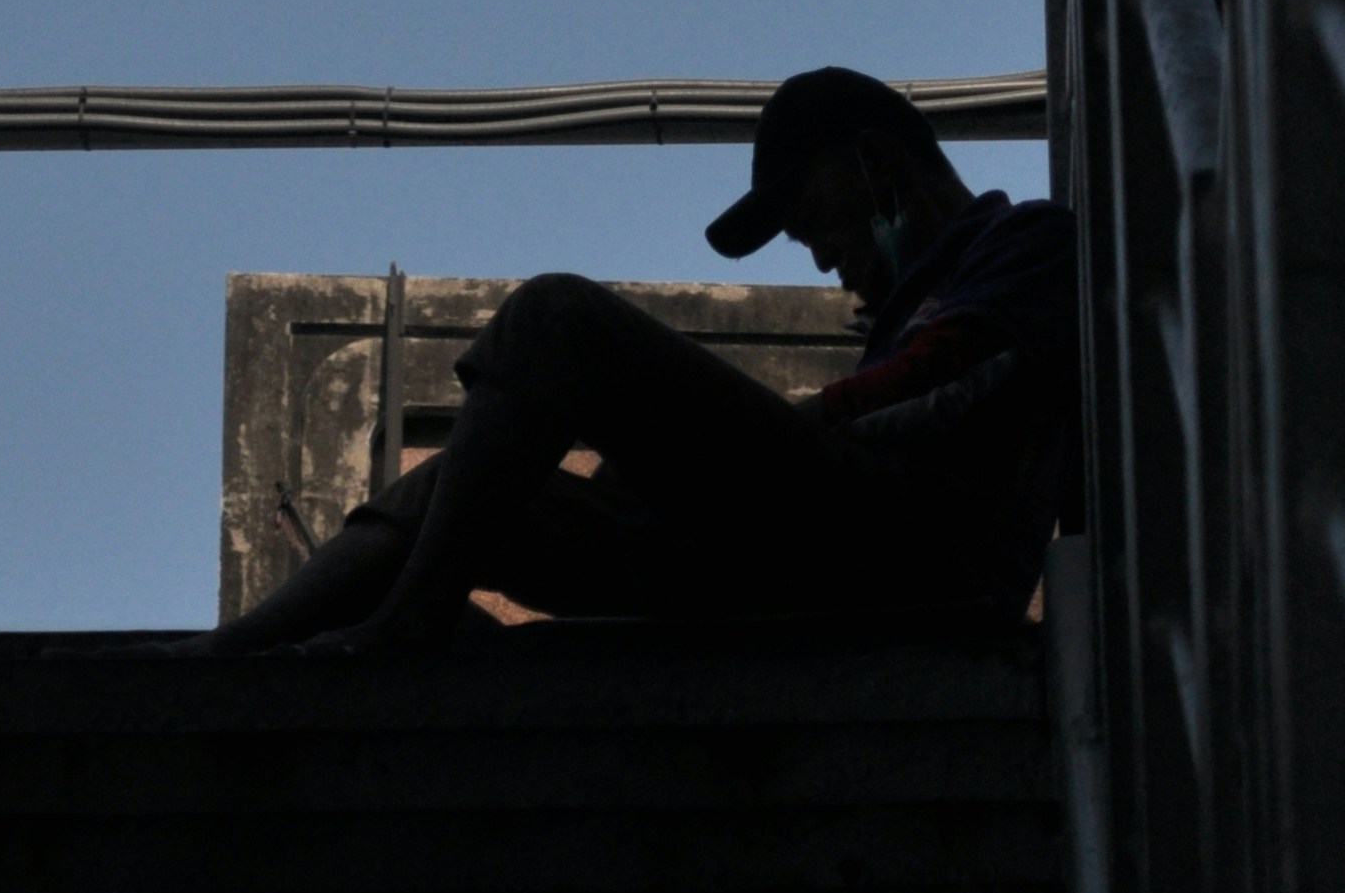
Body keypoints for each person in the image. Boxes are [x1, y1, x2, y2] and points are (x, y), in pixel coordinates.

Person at [215, 65, 1078, 655]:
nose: (819, 257)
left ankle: (406, 623)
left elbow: (954, 381)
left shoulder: (1026, 242)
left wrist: (746, 437)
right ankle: (232, 650)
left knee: (559, 317)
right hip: (795, 570)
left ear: (878, 164)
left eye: (815, 216)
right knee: (467, 487)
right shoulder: (897, 315)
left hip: (917, 569)